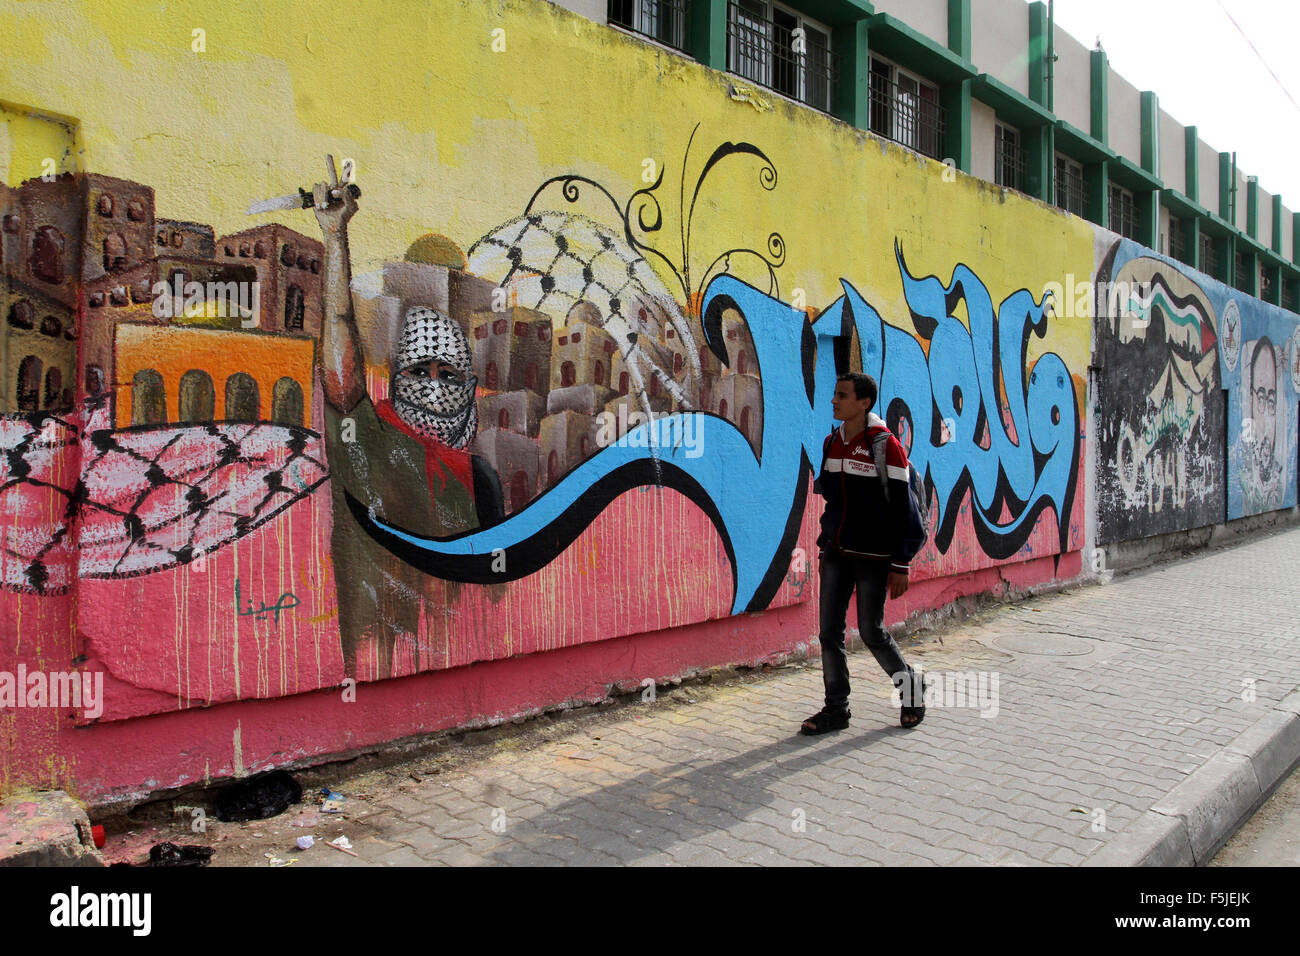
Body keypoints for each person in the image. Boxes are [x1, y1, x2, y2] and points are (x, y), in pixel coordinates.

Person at [312, 178, 503, 676]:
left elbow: (496, 590)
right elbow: (339, 369)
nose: (435, 388)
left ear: (470, 382)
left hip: (464, 665)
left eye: (449, 374)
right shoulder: (372, 442)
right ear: (397, 378)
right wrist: (335, 240)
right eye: (419, 372)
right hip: (378, 662)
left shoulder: (481, 478)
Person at [801, 371, 925, 734]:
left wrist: (900, 563)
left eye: (842, 395)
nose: (833, 400)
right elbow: (832, 498)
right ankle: (836, 710)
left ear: (864, 402)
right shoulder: (832, 443)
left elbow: (906, 509)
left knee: (871, 631)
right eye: (834, 394)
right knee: (829, 634)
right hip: (837, 553)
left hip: (874, 558)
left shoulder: (886, 446)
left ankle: (912, 690)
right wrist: (827, 539)